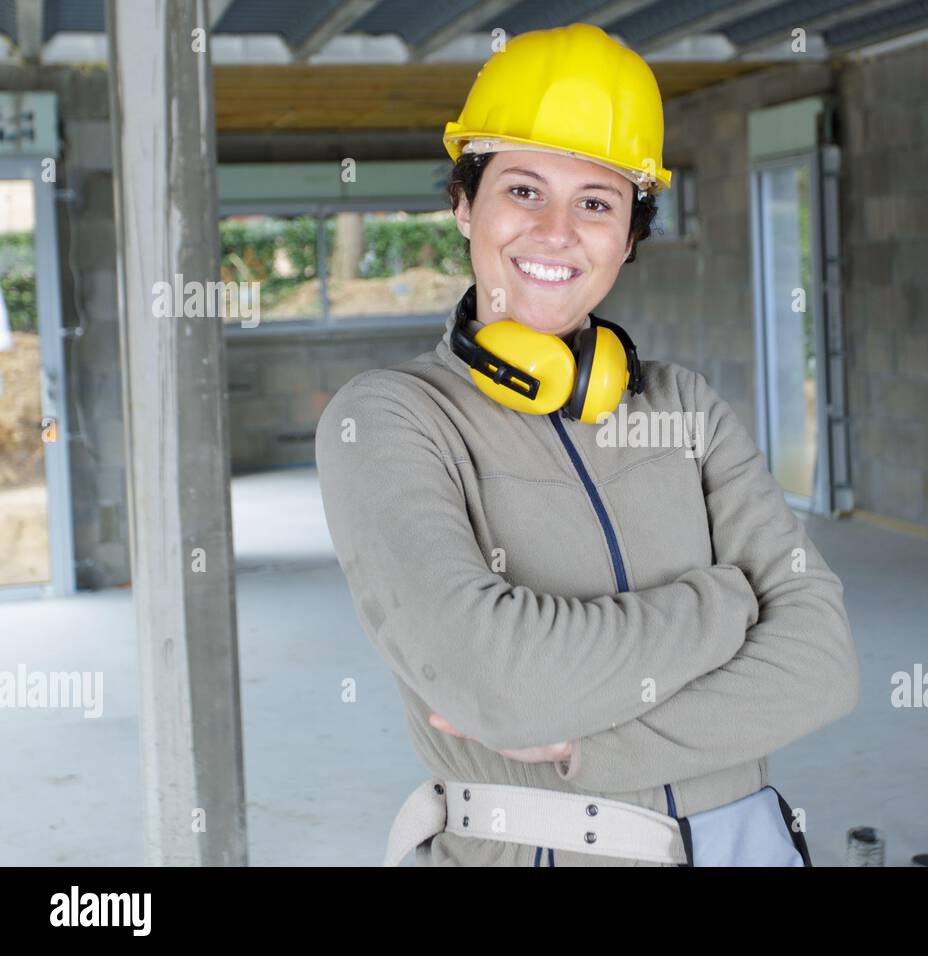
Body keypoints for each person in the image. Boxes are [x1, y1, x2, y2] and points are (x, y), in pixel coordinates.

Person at [315, 22, 858, 867]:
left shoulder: (686, 407)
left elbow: (822, 664)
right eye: (524, 190)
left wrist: (587, 747)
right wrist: (725, 605)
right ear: (465, 204)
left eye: (597, 202)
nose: (557, 231)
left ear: (630, 237)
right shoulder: (390, 419)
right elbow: (501, 684)